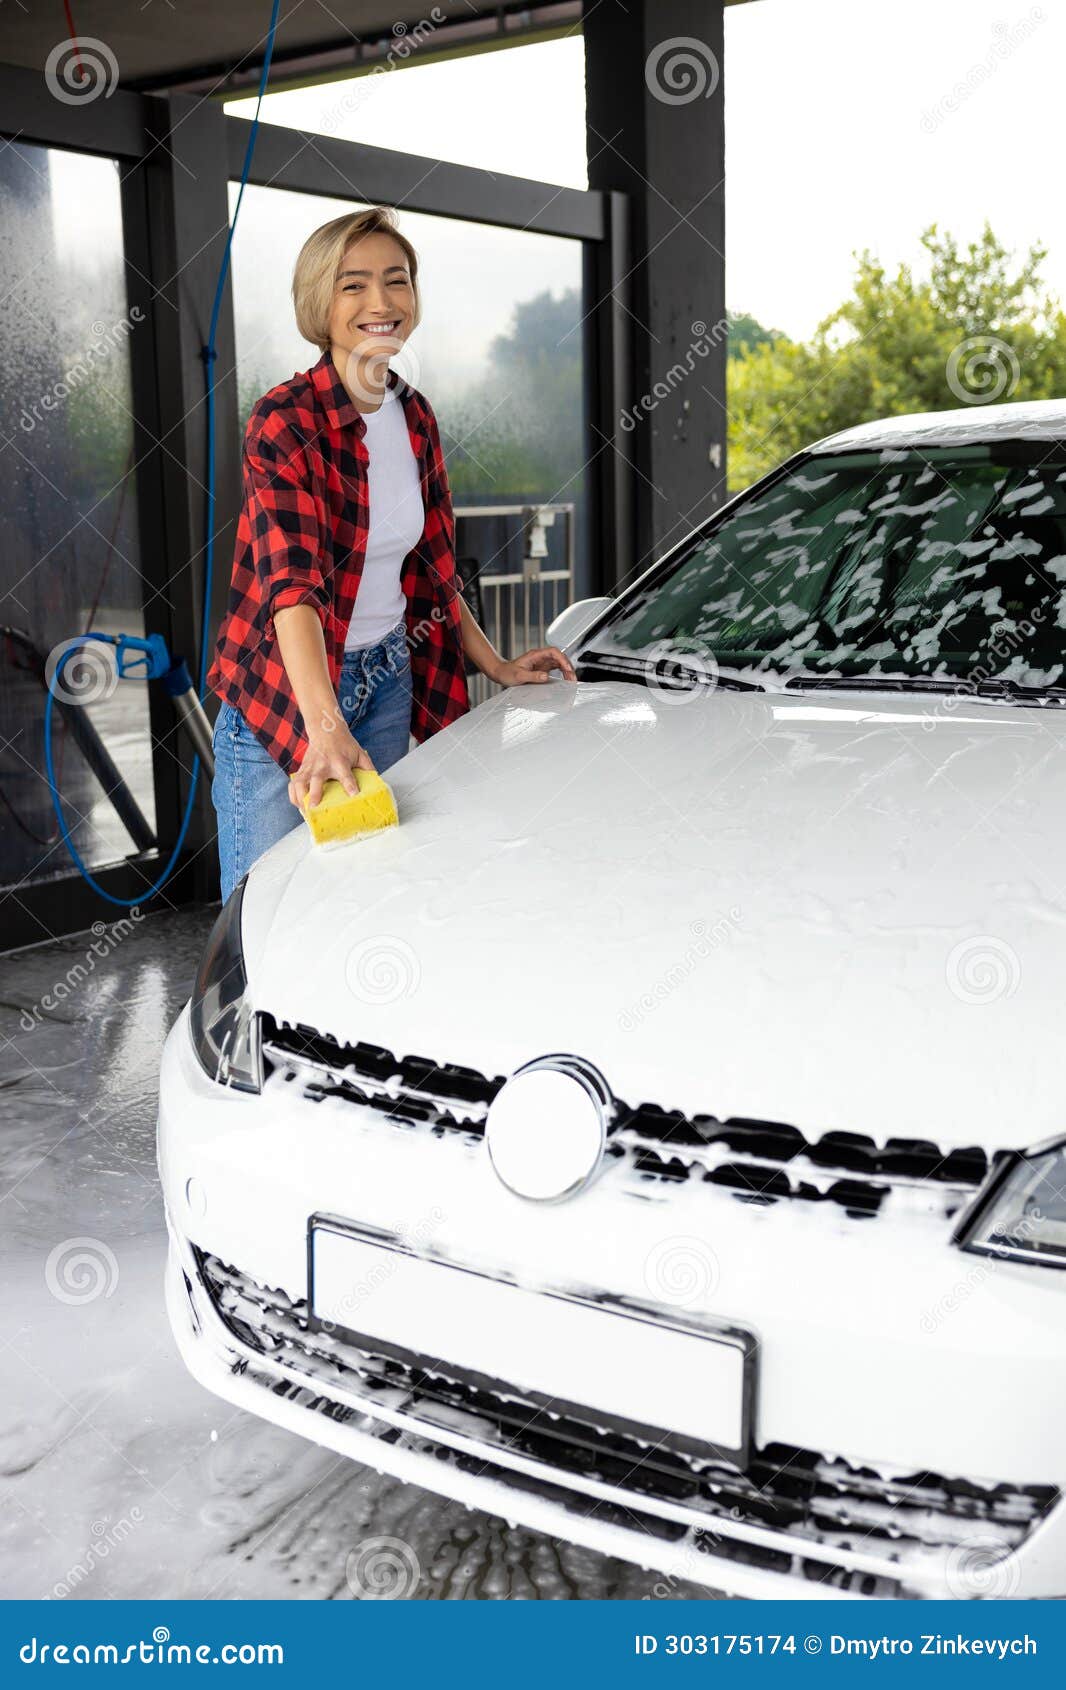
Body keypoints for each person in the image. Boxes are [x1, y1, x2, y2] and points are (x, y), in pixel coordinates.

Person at [207, 206, 576, 900]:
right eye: (354, 285)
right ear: (320, 301)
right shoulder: (284, 420)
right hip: (286, 694)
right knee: (264, 909)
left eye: (396, 281)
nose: (381, 302)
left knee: (355, 898)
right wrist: (324, 724)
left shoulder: (415, 415)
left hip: (385, 682)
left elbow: (434, 568)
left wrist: (495, 662)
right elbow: (293, 587)